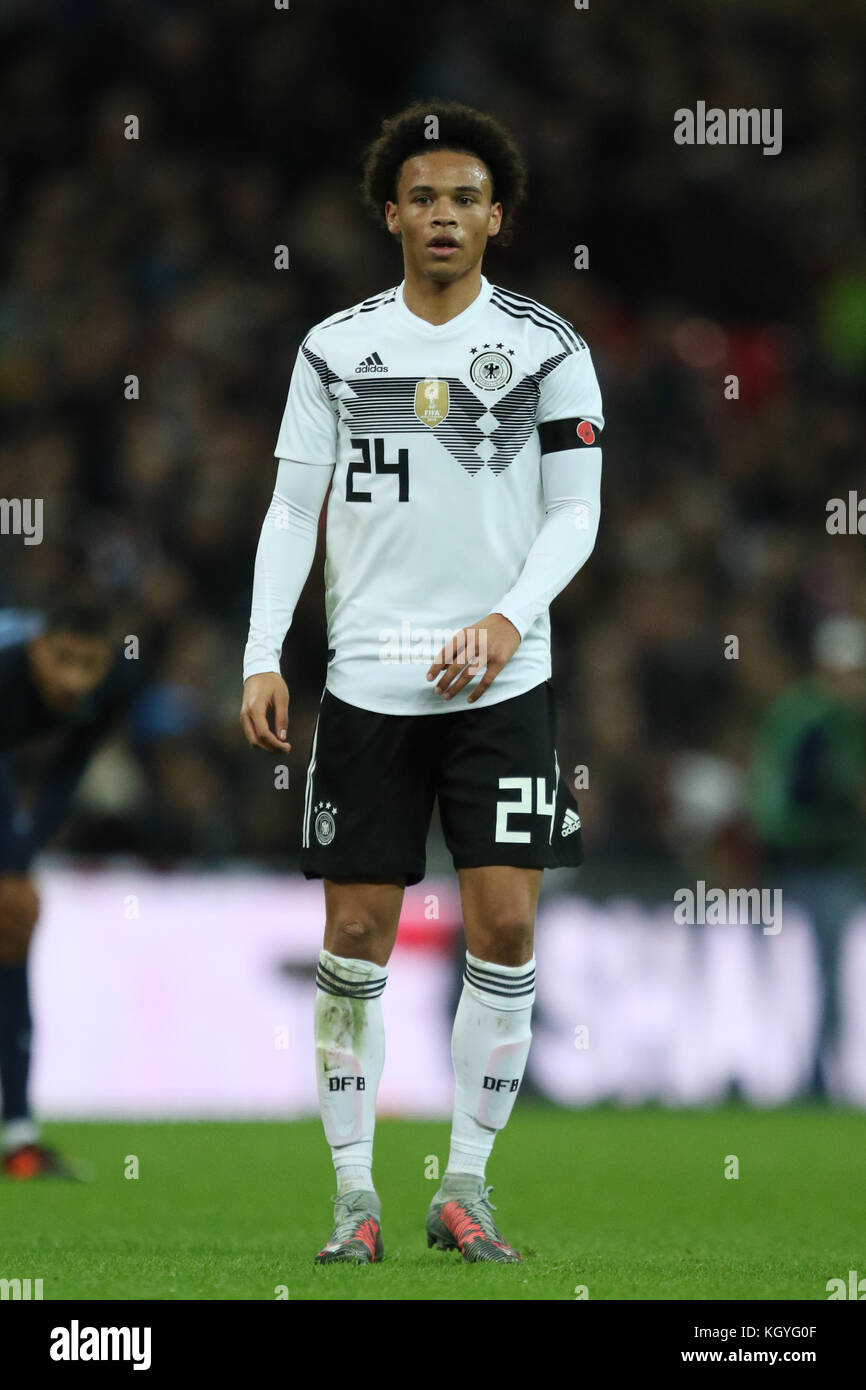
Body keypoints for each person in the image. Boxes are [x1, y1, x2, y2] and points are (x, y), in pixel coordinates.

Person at [241, 101, 603, 1263]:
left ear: (494, 217)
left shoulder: (547, 347)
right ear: (390, 213)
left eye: (463, 198)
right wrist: (261, 651)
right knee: (355, 930)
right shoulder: (335, 348)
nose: (442, 215)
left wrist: (507, 619)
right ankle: (355, 1199)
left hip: (504, 681)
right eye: (422, 197)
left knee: (502, 924)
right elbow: (293, 506)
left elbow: (575, 513)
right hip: (368, 683)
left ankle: (465, 1185)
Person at [0, 602, 141, 1177]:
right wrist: (12, 862)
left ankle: (19, 1137)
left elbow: (66, 772)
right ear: (36, 649)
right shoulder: (5, 674)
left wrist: (20, 859)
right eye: (61, 660)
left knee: (11, 930)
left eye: (87, 664)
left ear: (106, 661)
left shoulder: (118, 685)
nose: (72, 680)